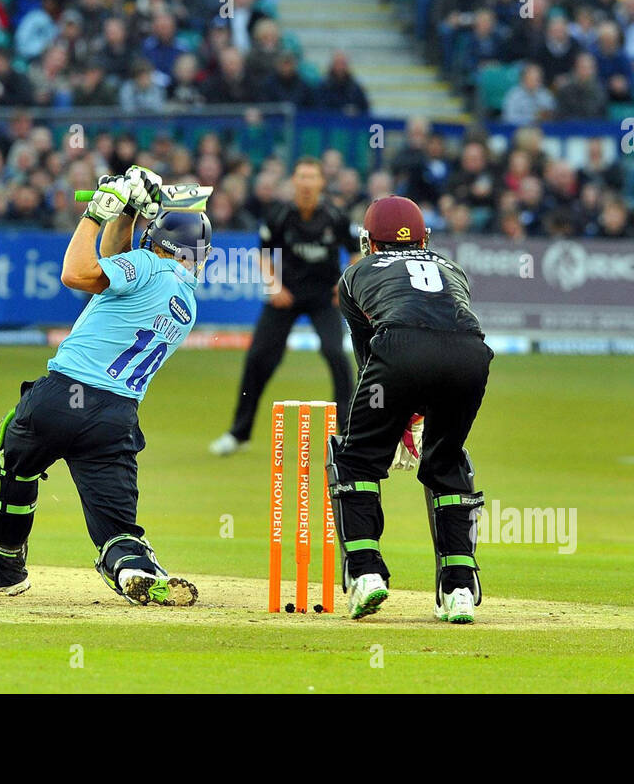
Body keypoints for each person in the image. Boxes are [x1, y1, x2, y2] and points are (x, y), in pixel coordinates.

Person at [0, 167, 211, 606]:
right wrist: (130, 214)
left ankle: (5, 564)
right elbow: (112, 269)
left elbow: (78, 273)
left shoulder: (145, 266)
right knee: (118, 530)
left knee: (13, 466)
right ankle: (132, 569)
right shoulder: (185, 300)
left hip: (60, 398)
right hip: (114, 419)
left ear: (154, 241)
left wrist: (94, 213)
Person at [329, 196, 492, 623]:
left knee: (356, 460)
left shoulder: (354, 275)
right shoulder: (452, 268)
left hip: (399, 350)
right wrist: (416, 417)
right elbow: (444, 328)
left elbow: (370, 360)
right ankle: (458, 587)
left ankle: (366, 575)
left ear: (369, 241)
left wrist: (394, 418)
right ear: (425, 238)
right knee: (446, 462)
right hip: (471, 355)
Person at [208, 158, 358, 455]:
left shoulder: (335, 216)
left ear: (320, 183)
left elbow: (355, 253)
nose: (305, 183)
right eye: (301, 177)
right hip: (285, 297)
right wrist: (274, 286)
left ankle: (349, 433)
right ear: (294, 181)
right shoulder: (280, 214)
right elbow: (263, 254)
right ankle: (239, 433)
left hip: (322, 299)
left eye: (311, 177)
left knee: (335, 354)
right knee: (259, 359)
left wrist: (343, 284)